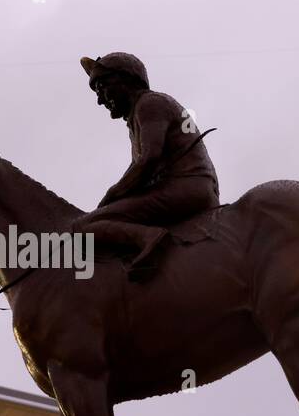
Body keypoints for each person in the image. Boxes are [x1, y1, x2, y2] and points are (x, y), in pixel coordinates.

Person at [74, 53, 220, 278]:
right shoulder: (140, 115)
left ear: (126, 80)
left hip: (185, 188)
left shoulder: (150, 104)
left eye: (102, 86)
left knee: (82, 228)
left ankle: (149, 238)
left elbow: (148, 160)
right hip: (188, 188)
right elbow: (140, 166)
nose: (100, 99)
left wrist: (111, 195)